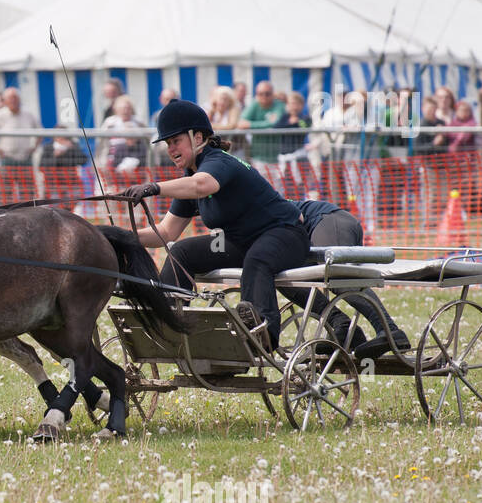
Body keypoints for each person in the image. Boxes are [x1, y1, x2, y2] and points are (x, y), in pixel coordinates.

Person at [125, 100, 310, 352]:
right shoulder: (188, 179)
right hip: (240, 242)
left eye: (175, 141)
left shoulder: (218, 162)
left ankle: (263, 334)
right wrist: (121, 237)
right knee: (181, 251)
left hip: (285, 234)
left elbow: (203, 185)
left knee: (257, 260)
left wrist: (154, 187)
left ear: (197, 136)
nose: (170, 149)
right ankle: (168, 323)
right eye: (167, 144)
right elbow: (166, 232)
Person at [286, 199, 409, 359]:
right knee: (286, 278)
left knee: (337, 274)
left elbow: (297, 217)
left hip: (328, 220)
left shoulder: (259, 205)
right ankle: (341, 325)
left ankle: (390, 331)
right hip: (307, 235)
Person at [0, 86, 41, 203]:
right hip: (7, 159)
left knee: (28, 194)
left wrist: (34, 148)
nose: (13, 101)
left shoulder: (29, 114)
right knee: (6, 194)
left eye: (15, 98)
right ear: (5, 101)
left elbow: (40, 132)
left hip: (25, 159)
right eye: (10, 99)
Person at [237, 80, 286, 162]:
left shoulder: (279, 105)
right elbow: (241, 124)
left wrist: (250, 125)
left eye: (267, 93)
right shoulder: (254, 104)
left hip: (277, 157)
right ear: (256, 94)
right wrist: (266, 123)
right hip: (257, 157)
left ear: (272, 94)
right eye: (260, 94)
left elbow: (274, 123)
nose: (264, 96)